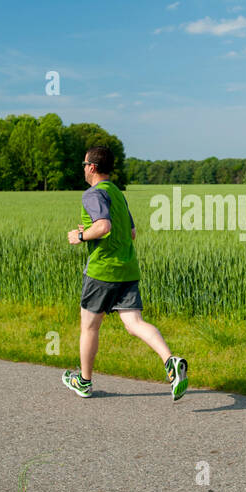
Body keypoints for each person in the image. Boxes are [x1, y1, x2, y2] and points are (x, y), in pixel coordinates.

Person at [63, 146, 187, 400]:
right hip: (127, 269)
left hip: (102, 271)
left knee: (89, 327)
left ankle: (84, 382)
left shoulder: (92, 194)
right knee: (135, 323)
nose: (84, 169)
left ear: (93, 167)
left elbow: (104, 225)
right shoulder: (118, 194)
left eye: (84, 164)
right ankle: (170, 362)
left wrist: (80, 236)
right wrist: (91, 229)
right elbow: (130, 232)